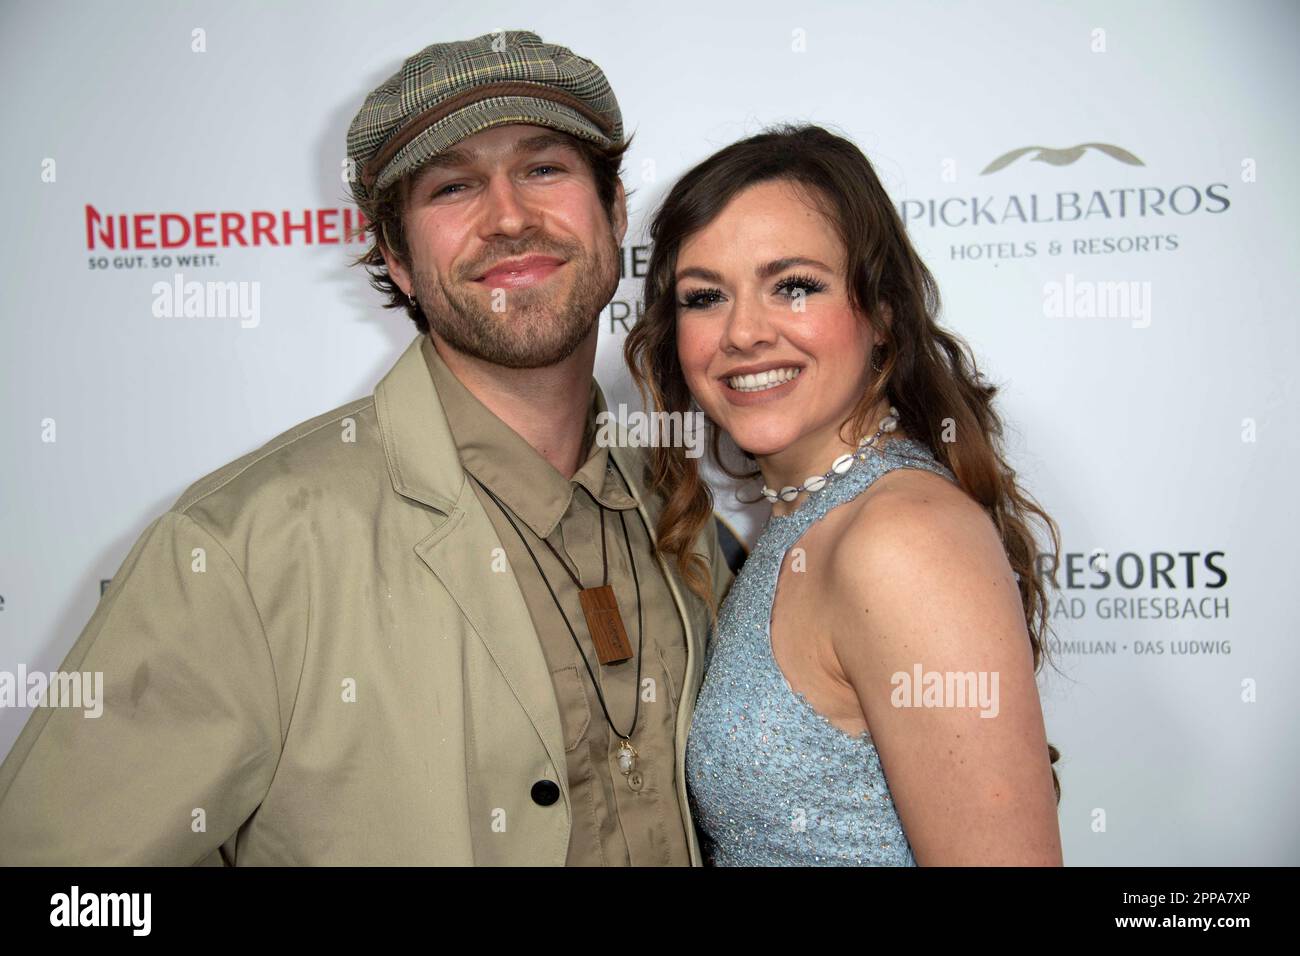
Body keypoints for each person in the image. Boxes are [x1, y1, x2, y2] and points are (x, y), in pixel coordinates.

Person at [0, 30, 734, 866]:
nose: (509, 216)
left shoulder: (678, 507)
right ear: (399, 260)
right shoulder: (241, 551)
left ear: (611, 212)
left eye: (543, 168)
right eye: (454, 186)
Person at [624, 123, 1064, 865]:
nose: (743, 333)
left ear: (883, 314)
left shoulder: (902, 541)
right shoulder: (807, 519)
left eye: (793, 287)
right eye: (705, 297)